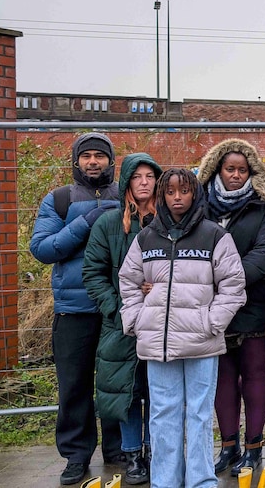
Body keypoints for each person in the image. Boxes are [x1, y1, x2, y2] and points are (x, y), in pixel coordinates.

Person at [118, 168, 246, 488]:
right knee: (163, 415)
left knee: (200, 415)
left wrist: (211, 322)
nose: (177, 197)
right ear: (162, 195)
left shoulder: (214, 236)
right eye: (171, 191)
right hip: (159, 344)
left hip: (201, 341)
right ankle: (165, 481)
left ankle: (201, 481)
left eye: (184, 191)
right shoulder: (146, 237)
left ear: (195, 194)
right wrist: (136, 320)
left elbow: (233, 286)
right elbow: (129, 282)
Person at [29, 132, 124, 485]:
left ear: (111, 161)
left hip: (117, 307)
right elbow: (43, 249)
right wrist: (85, 223)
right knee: (74, 385)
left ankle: (119, 450)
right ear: (76, 161)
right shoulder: (59, 200)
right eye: (87, 156)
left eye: (100, 156)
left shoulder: (125, 195)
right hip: (74, 309)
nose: (93, 162)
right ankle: (76, 454)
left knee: (116, 383)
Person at [197, 139, 265, 476]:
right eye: (229, 169)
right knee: (223, 377)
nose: (235, 175)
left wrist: (227, 280)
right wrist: (211, 283)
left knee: (255, 373)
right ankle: (228, 445)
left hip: (253, 301)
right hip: (210, 305)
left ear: (251, 173)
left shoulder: (264, 207)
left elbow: (264, 252)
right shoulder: (200, 206)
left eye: (242, 170)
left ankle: (254, 447)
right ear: (217, 169)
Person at [82, 153, 163, 485]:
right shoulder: (108, 224)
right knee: (127, 393)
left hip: (161, 323)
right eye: (137, 177)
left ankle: (156, 451)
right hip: (122, 325)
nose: (144, 182)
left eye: (149, 176)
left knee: (158, 391)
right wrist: (117, 308)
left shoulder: (167, 222)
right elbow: (93, 273)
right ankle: (132, 455)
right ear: (127, 181)